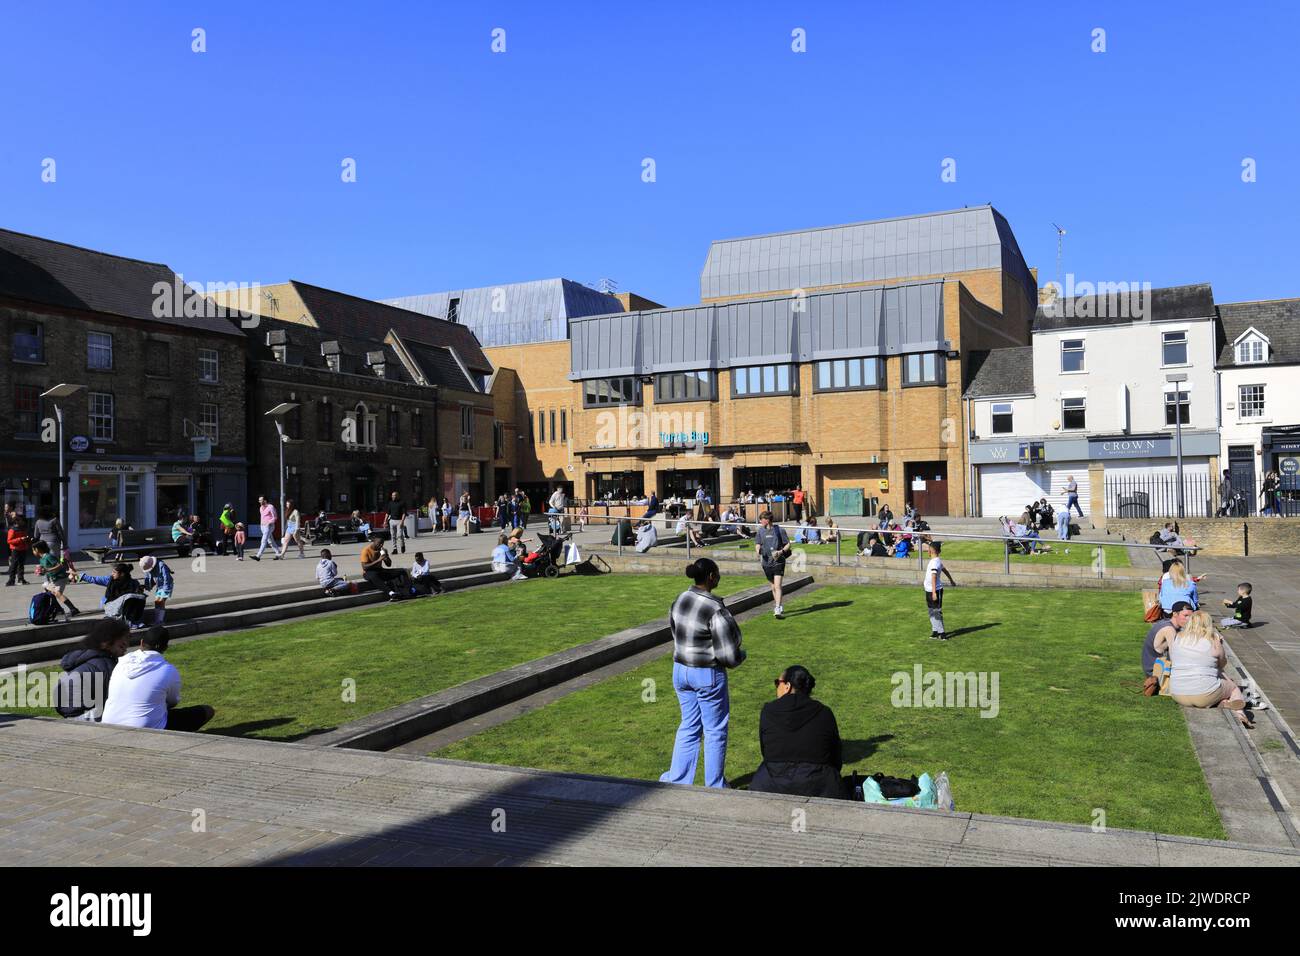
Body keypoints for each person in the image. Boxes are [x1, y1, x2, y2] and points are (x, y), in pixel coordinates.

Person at [659, 558, 747, 789]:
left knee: (688, 724)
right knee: (715, 729)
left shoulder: (680, 599)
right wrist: (741, 655)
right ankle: (715, 785)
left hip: (680, 670)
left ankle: (678, 779)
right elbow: (728, 655)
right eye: (717, 573)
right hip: (706, 674)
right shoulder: (715, 609)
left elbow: (674, 631)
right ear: (711, 577)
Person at [748, 665, 845, 799]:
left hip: (772, 784)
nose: (777, 687)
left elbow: (766, 752)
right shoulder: (824, 713)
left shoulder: (768, 711)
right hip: (819, 786)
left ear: (787, 686)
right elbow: (836, 757)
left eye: (778, 683)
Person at [101, 625, 215, 732]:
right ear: (165, 647)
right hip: (146, 728)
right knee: (207, 711)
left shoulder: (121, 663)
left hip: (109, 723)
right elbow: (173, 701)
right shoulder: (168, 670)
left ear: (141, 642)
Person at [1168, 612, 1253, 727]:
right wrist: (1220, 644)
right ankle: (1240, 713)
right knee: (1233, 687)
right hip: (1204, 694)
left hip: (1177, 693)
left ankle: (1222, 703)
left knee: (1212, 679)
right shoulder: (1213, 640)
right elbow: (1222, 664)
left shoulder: (1178, 637)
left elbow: (1174, 659)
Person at [56, 618, 131, 720]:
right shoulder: (104, 664)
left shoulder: (86, 656)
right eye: (124, 639)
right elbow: (111, 701)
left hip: (69, 712)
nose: (127, 644)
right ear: (108, 641)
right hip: (81, 716)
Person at [1142, 601, 1192, 695]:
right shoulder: (1169, 630)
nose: (1189, 619)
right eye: (1185, 616)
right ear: (1175, 614)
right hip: (1156, 672)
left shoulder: (1165, 622)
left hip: (1152, 666)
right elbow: (1175, 656)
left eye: (1191, 616)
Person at [77, 561, 147, 627]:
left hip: (125, 607)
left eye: (114, 572)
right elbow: (94, 579)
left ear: (122, 574)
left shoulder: (133, 583)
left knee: (140, 597)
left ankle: (135, 621)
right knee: (129, 596)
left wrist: (139, 590)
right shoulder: (110, 580)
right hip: (111, 605)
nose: (112, 574)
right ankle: (128, 622)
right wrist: (79, 575)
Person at [754, 510, 791, 618]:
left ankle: (777, 608)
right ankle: (778, 605)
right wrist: (758, 551)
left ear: (767, 520)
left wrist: (780, 552)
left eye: (762, 519)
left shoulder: (779, 530)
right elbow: (757, 543)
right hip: (766, 562)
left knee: (778, 585)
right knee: (773, 587)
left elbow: (788, 544)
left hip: (778, 561)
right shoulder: (760, 531)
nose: (760, 521)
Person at [33, 540, 80, 621]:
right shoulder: (41, 559)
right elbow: (45, 570)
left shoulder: (48, 556)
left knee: (57, 593)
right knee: (48, 593)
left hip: (61, 577)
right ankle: (58, 610)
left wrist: (47, 569)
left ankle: (73, 609)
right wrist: (41, 572)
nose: (33, 552)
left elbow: (59, 565)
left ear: (37, 549)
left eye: (33, 550)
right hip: (54, 579)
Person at [360, 533, 410, 600]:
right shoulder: (366, 550)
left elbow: (389, 565)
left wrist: (386, 558)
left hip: (380, 570)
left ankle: (409, 591)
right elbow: (364, 567)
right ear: (374, 541)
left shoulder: (383, 550)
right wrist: (378, 560)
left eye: (382, 543)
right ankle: (391, 593)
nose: (381, 545)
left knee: (402, 571)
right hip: (368, 572)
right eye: (379, 543)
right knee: (374, 575)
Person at [925, 540, 957, 640]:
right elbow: (945, 570)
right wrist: (951, 580)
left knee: (936, 611)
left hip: (935, 591)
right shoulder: (936, 561)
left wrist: (934, 592)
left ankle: (942, 633)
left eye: (928, 549)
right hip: (928, 590)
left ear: (931, 551)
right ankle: (935, 631)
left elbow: (934, 577)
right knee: (931, 611)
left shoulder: (935, 563)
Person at [138, 555, 174, 626]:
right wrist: (146, 586)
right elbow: (148, 578)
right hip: (159, 586)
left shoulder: (161, 565)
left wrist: (166, 589)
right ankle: (157, 620)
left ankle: (160, 621)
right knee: (157, 602)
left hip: (166, 585)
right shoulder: (148, 567)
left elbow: (166, 577)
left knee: (161, 601)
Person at [250, 496, 282, 561]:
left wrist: (268, 522)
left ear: (265, 500)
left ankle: (258, 556)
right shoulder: (261, 508)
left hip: (269, 526)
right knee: (270, 542)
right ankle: (279, 554)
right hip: (262, 526)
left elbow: (275, 517)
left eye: (260, 500)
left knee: (263, 540)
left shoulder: (270, 507)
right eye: (259, 500)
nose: (259, 501)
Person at [5, 515, 31, 586]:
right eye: (20, 520)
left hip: (23, 548)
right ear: (16, 521)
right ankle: (11, 580)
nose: (22, 522)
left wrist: (27, 539)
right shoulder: (12, 530)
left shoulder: (23, 529)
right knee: (14, 565)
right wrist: (20, 539)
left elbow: (25, 537)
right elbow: (9, 541)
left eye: (22, 520)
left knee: (21, 565)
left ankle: (21, 579)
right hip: (15, 549)